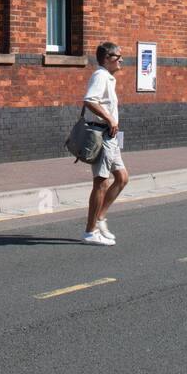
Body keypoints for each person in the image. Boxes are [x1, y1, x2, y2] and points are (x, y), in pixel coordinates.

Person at [81, 42, 129, 245]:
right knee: (101, 183)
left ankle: (100, 218)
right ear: (107, 58)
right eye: (118, 56)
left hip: (111, 137)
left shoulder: (109, 78)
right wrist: (109, 119)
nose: (121, 60)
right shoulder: (100, 76)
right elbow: (90, 100)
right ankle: (90, 232)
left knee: (122, 178)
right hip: (102, 135)